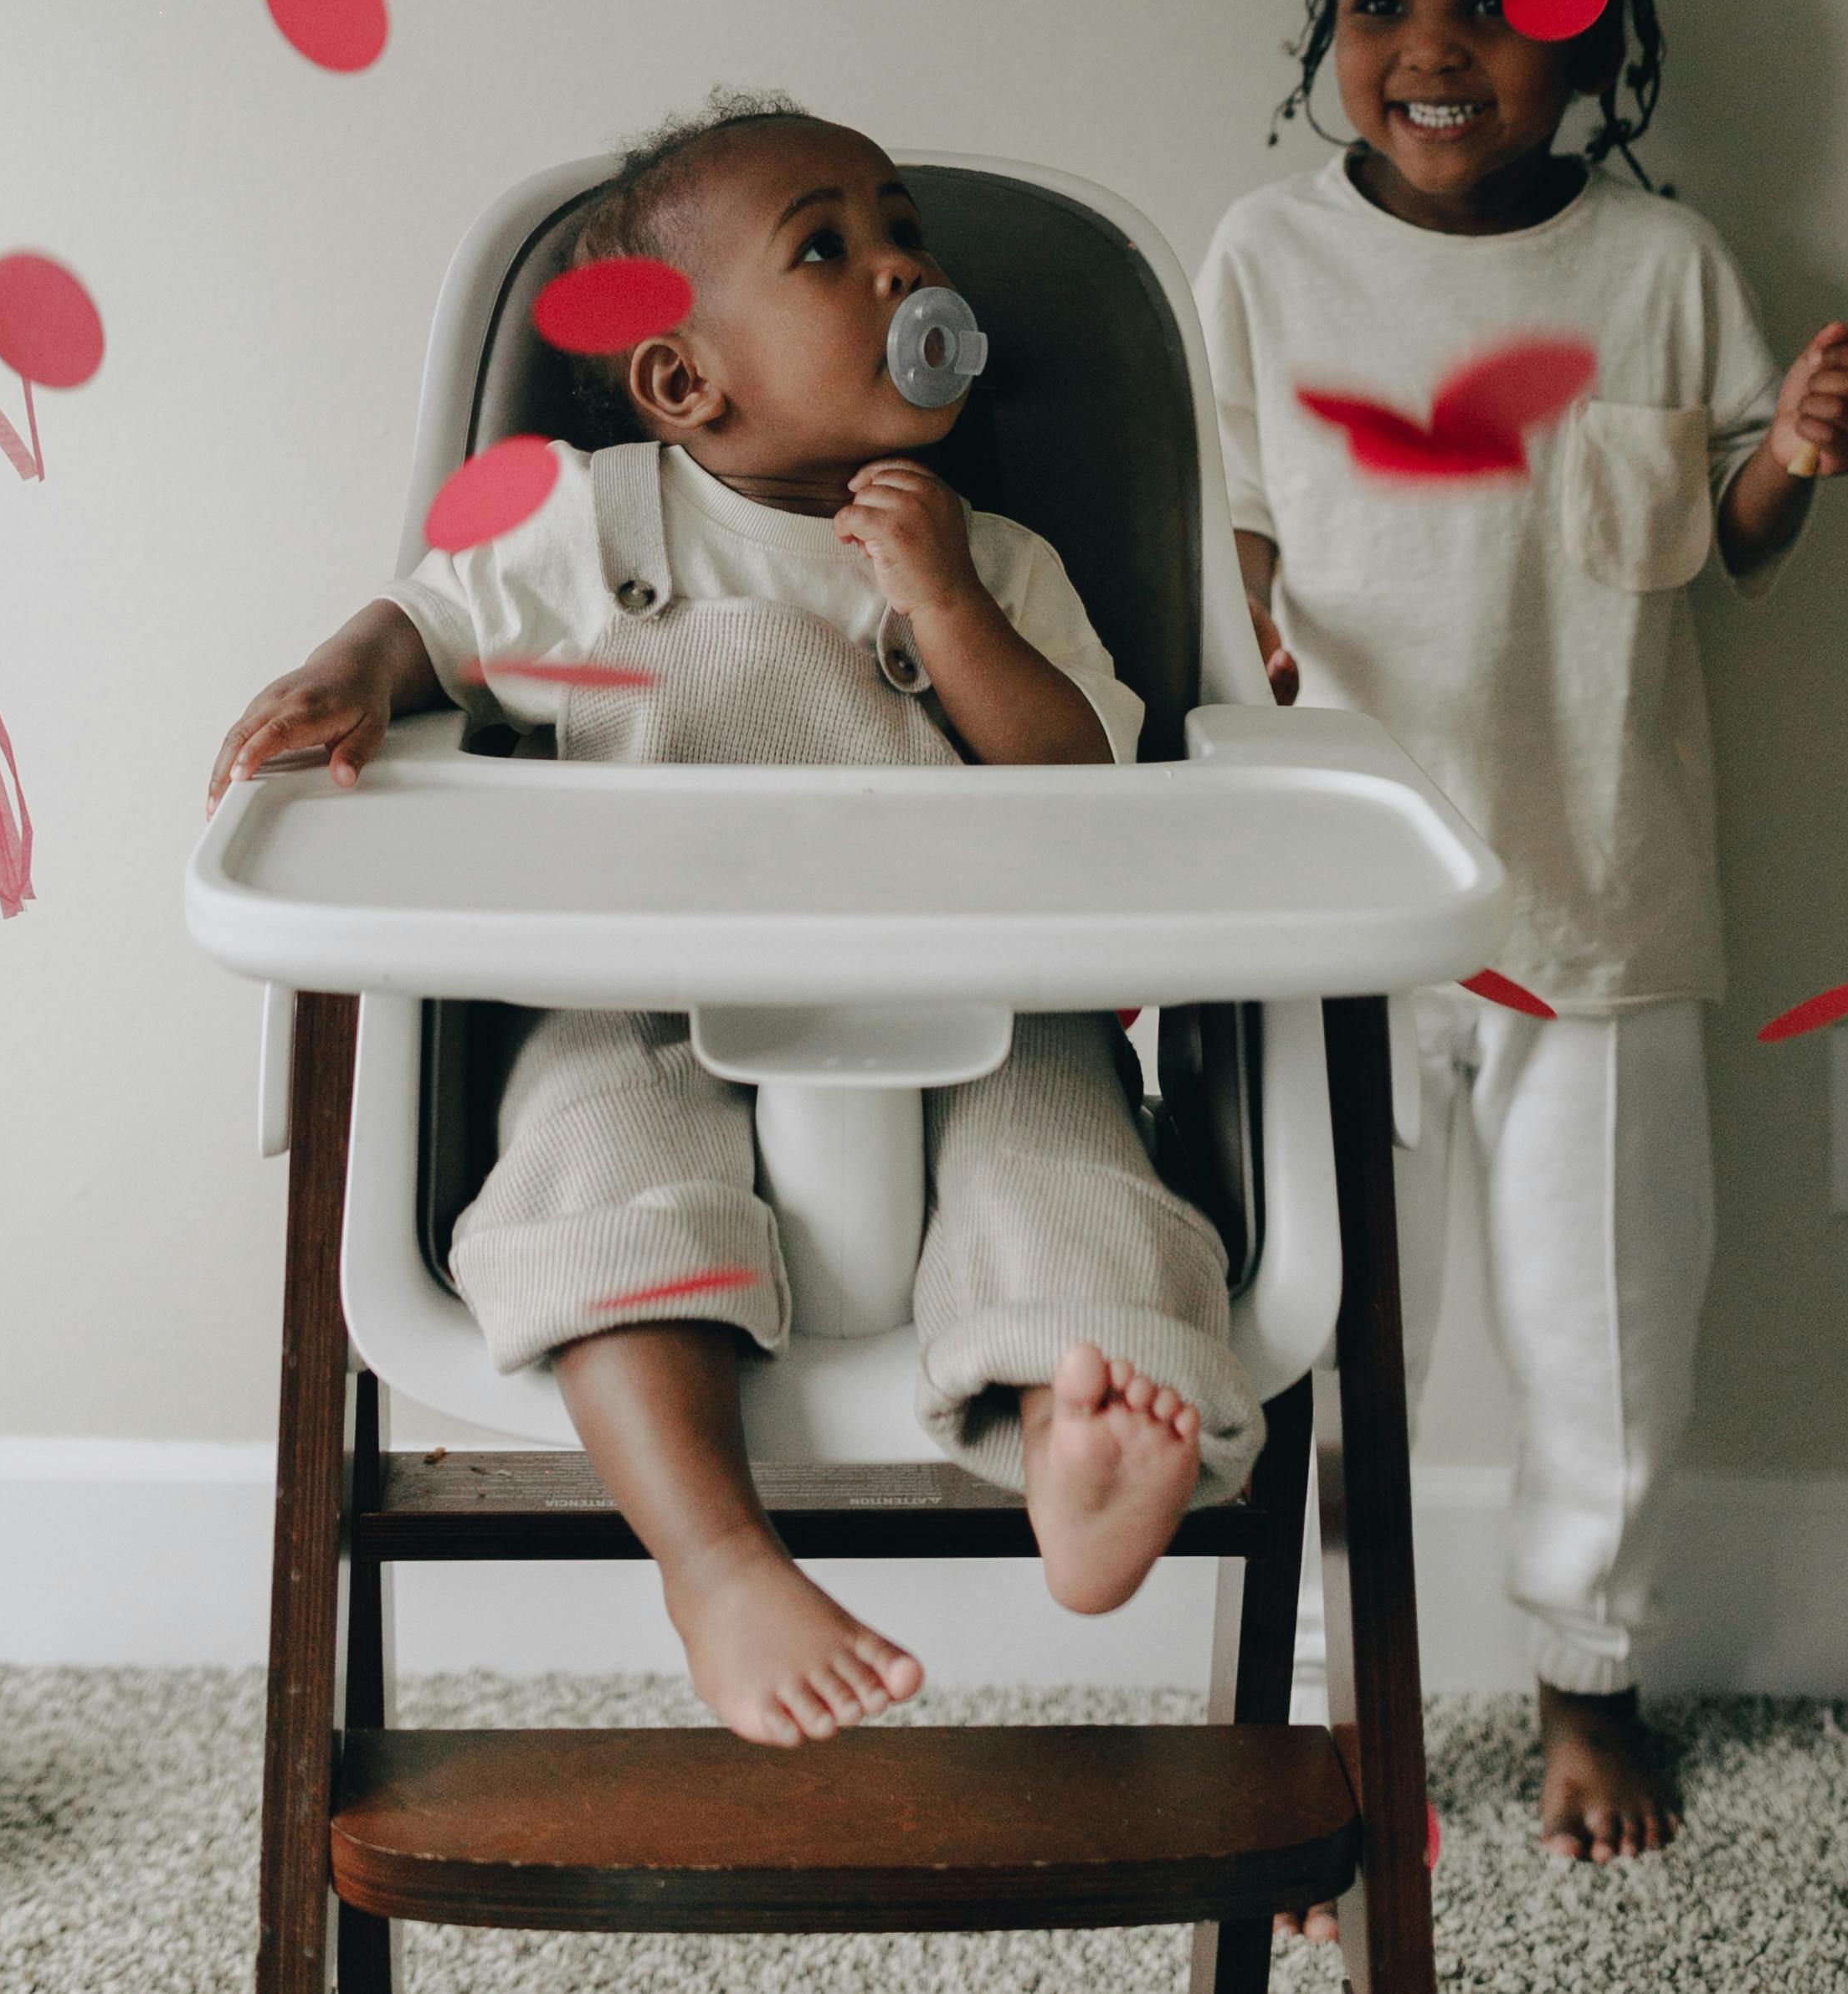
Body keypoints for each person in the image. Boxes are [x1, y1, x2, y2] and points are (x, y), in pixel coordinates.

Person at [209, 97, 1260, 1746]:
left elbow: (1082, 779)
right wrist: (354, 671)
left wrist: (952, 606)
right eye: (828, 246)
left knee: (1075, 1169)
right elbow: (435, 610)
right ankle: (713, 1555)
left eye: (903, 227)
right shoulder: (595, 519)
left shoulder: (1003, 559)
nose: (900, 260)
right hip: (646, 996)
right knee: (590, 1176)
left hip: (983, 1009)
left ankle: (1084, 1424)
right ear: (687, 381)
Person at [1196, 0, 1848, 1912]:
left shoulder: (1665, 269)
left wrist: (1798, 457)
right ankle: (1345, 1687)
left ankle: (1591, 1668)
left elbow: (1731, 555)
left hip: (1604, 900)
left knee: (1612, 1331)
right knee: (1327, 1323)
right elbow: (1224, 520)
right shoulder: (1261, 257)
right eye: (1384, 1)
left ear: (1602, 45)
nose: (1437, 45)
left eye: (1505, 8)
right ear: (1330, 31)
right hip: (1339, 913)